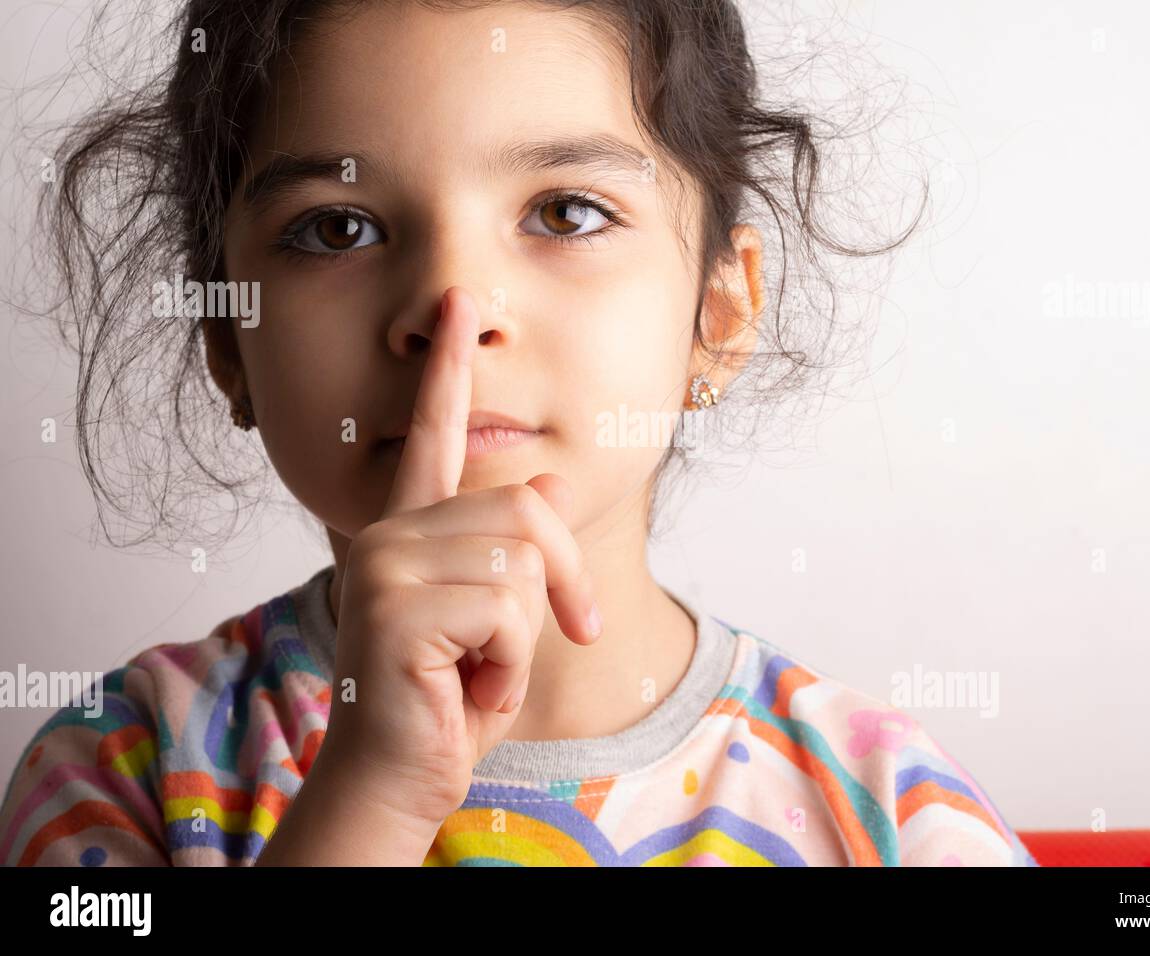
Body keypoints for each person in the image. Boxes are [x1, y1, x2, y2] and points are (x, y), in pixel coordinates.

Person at [0, 0, 1036, 866]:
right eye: (338, 227)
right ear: (229, 338)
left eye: (566, 213)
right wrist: (371, 793)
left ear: (717, 316)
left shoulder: (887, 810)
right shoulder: (120, 770)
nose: (453, 305)